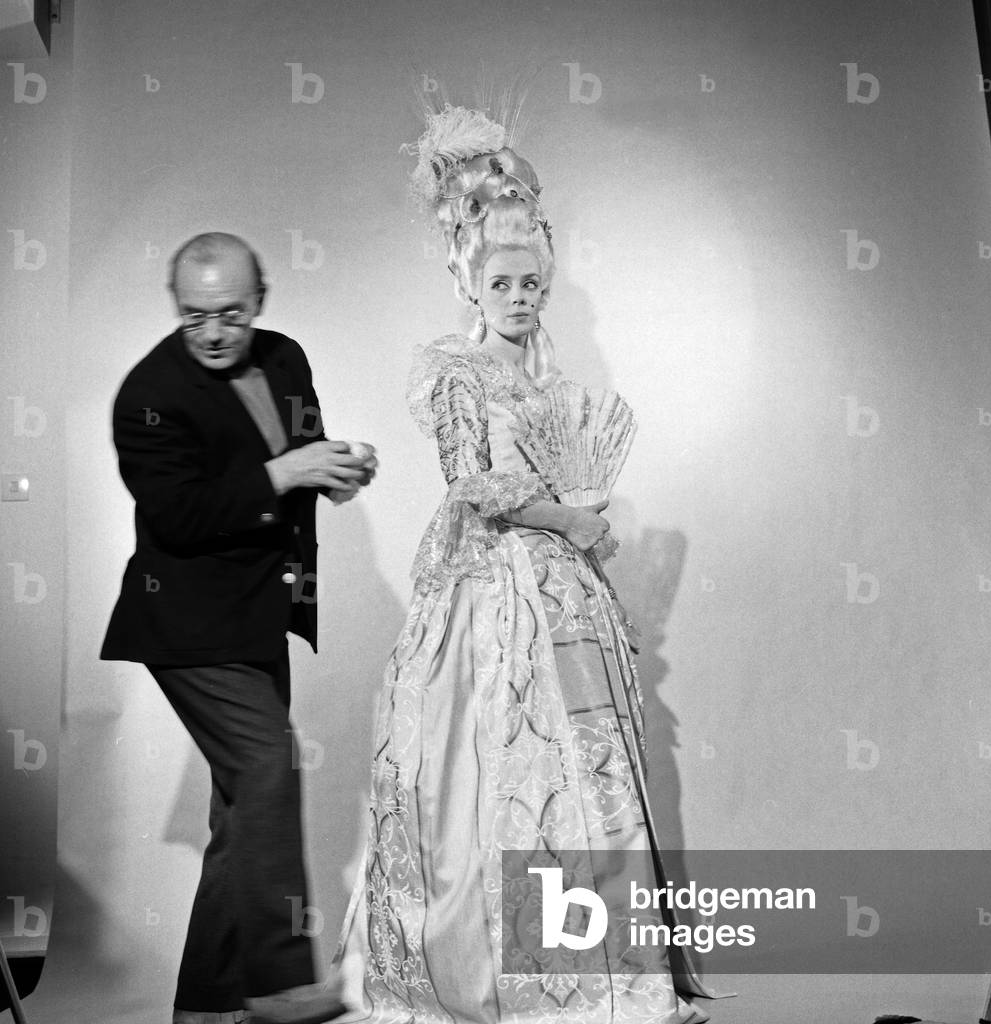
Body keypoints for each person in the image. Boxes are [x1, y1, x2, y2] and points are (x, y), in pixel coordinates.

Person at [327, 105, 713, 1024]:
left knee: (583, 772)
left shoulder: (549, 382)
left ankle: (601, 975)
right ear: (470, 281)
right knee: (480, 772)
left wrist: (575, 529)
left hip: (558, 595)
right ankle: (489, 976)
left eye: (532, 281)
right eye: (502, 281)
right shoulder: (454, 373)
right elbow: (470, 486)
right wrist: (569, 520)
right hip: (485, 593)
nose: (520, 296)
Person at [100, 232, 377, 1024]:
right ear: (175, 305)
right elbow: (179, 517)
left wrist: (337, 471)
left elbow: (300, 453)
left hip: (257, 615)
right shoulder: (148, 394)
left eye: (229, 314)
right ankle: (283, 983)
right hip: (185, 624)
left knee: (239, 814)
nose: (213, 332)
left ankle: (206, 1005)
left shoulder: (285, 358)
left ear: (259, 301)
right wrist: (286, 473)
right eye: (194, 317)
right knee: (268, 766)